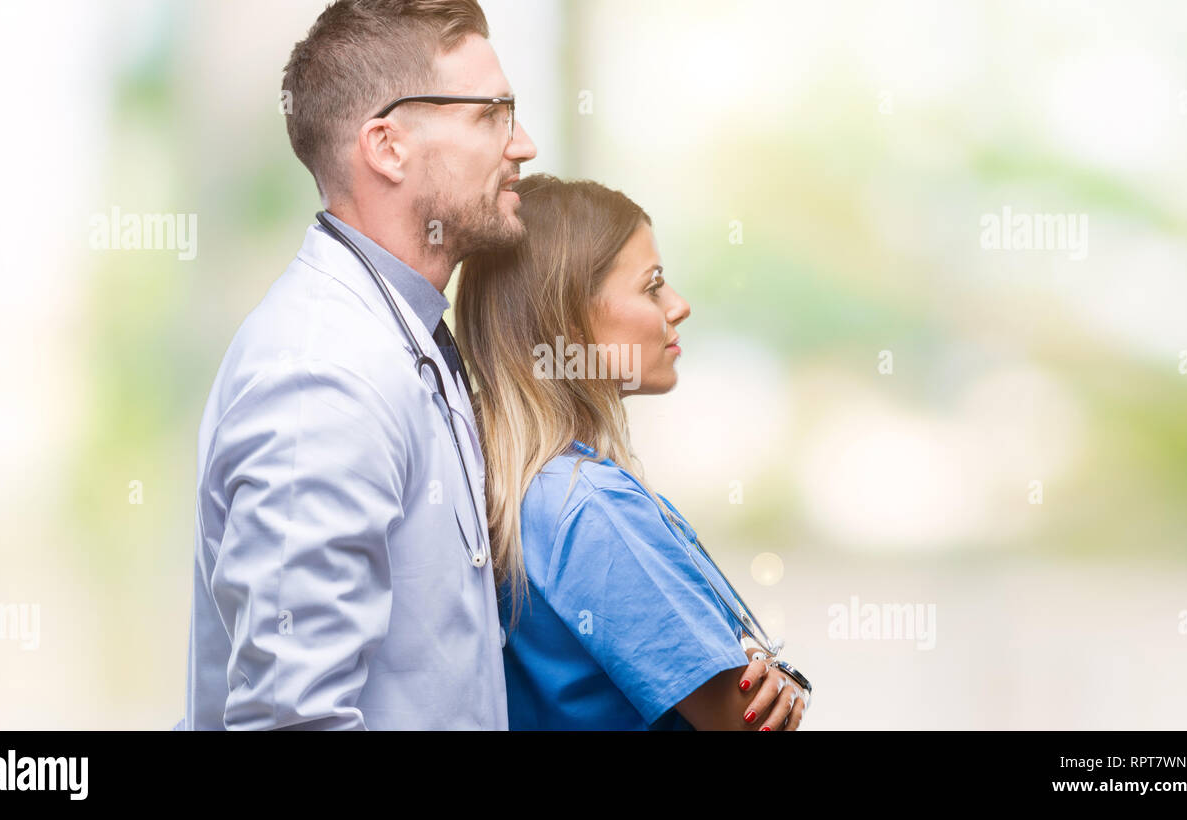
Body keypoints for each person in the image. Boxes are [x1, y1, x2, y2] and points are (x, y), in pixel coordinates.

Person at [178, 0, 538, 730]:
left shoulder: (403, 336)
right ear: (388, 146)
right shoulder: (323, 375)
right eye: (491, 115)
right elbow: (291, 719)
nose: (523, 145)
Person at [455, 174, 810, 730]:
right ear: (569, 321)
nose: (680, 305)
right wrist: (774, 688)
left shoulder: (525, 489)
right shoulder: (588, 504)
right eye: (653, 286)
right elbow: (746, 724)